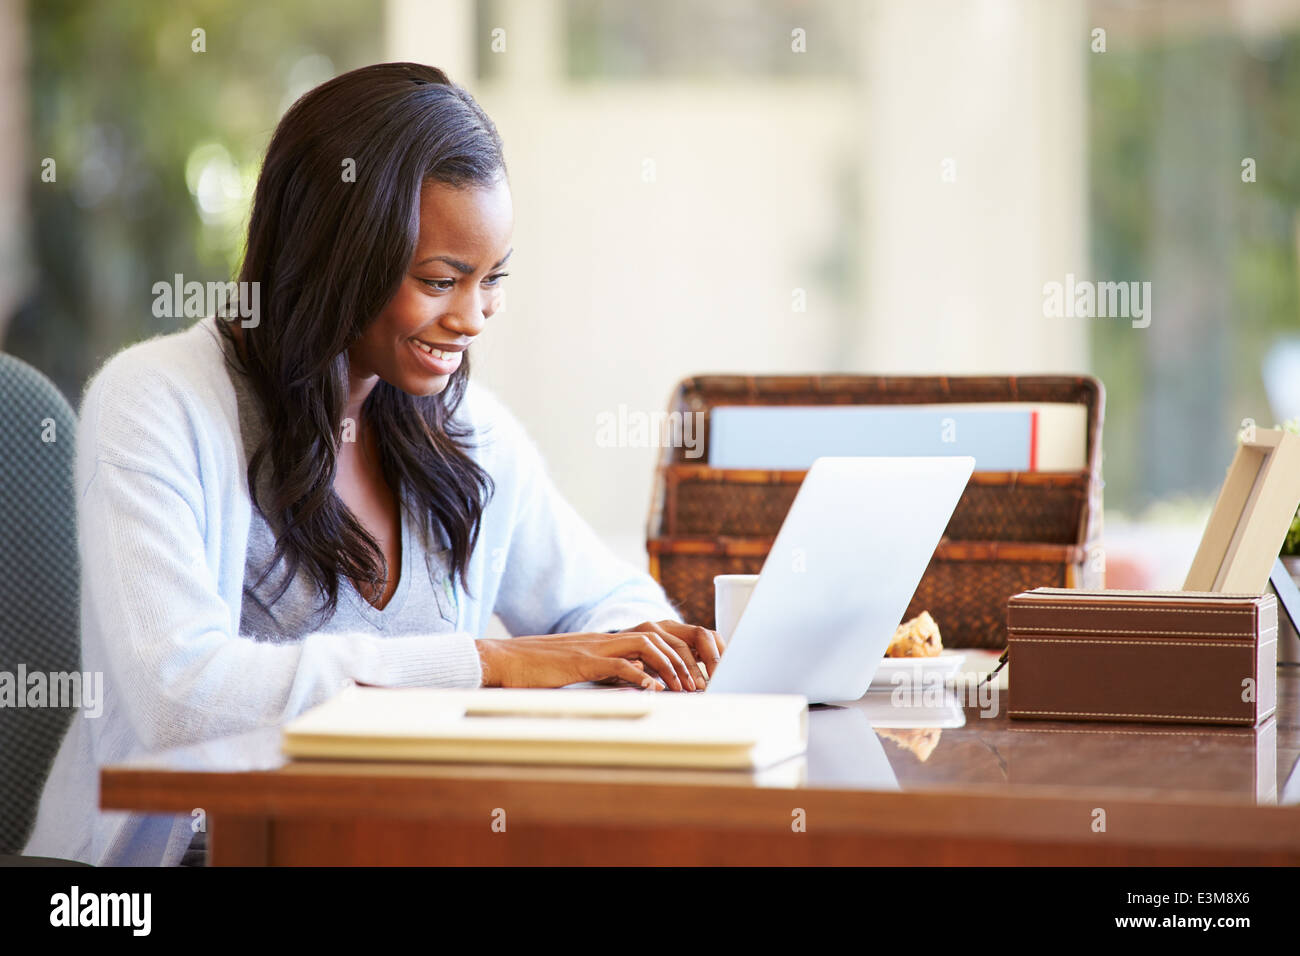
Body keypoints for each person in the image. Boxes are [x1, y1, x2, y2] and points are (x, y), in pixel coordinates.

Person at [25, 62, 723, 867]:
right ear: (336, 255)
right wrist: (485, 664)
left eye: (491, 280)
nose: (471, 319)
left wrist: (638, 646)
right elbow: (179, 696)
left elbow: (607, 602)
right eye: (439, 280)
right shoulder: (156, 405)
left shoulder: (466, 430)